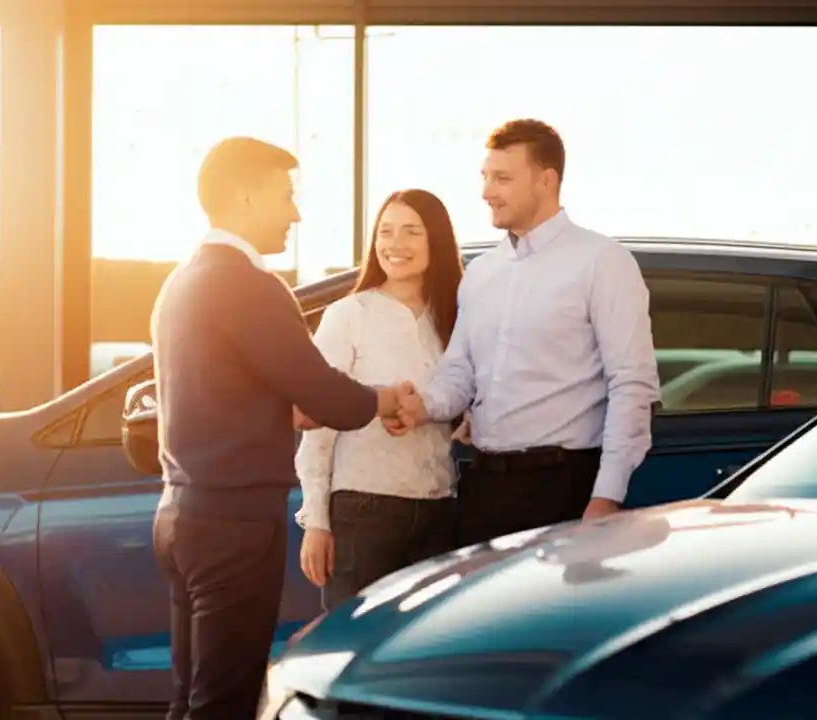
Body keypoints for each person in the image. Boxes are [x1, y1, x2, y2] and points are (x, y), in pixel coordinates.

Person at [149, 137, 417, 720]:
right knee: (225, 700)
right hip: (234, 525)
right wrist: (387, 398)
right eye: (285, 196)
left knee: (191, 697)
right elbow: (323, 392)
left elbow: (248, 392)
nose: (295, 212)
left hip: (181, 516)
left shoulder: (182, 281)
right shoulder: (247, 284)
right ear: (246, 198)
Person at [391, 118, 661, 545]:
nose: (486, 192)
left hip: (565, 488)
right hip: (483, 490)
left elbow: (632, 384)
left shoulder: (602, 262)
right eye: (485, 177)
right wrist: (421, 407)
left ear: (546, 180)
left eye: (502, 178)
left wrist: (606, 497)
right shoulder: (481, 273)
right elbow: (459, 373)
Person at [295, 189, 467, 610]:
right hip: (364, 511)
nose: (395, 244)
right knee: (353, 648)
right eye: (386, 232)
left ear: (436, 241)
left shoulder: (457, 317)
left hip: (438, 509)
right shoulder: (349, 315)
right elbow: (319, 425)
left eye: (412, 232)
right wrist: (316, 521)